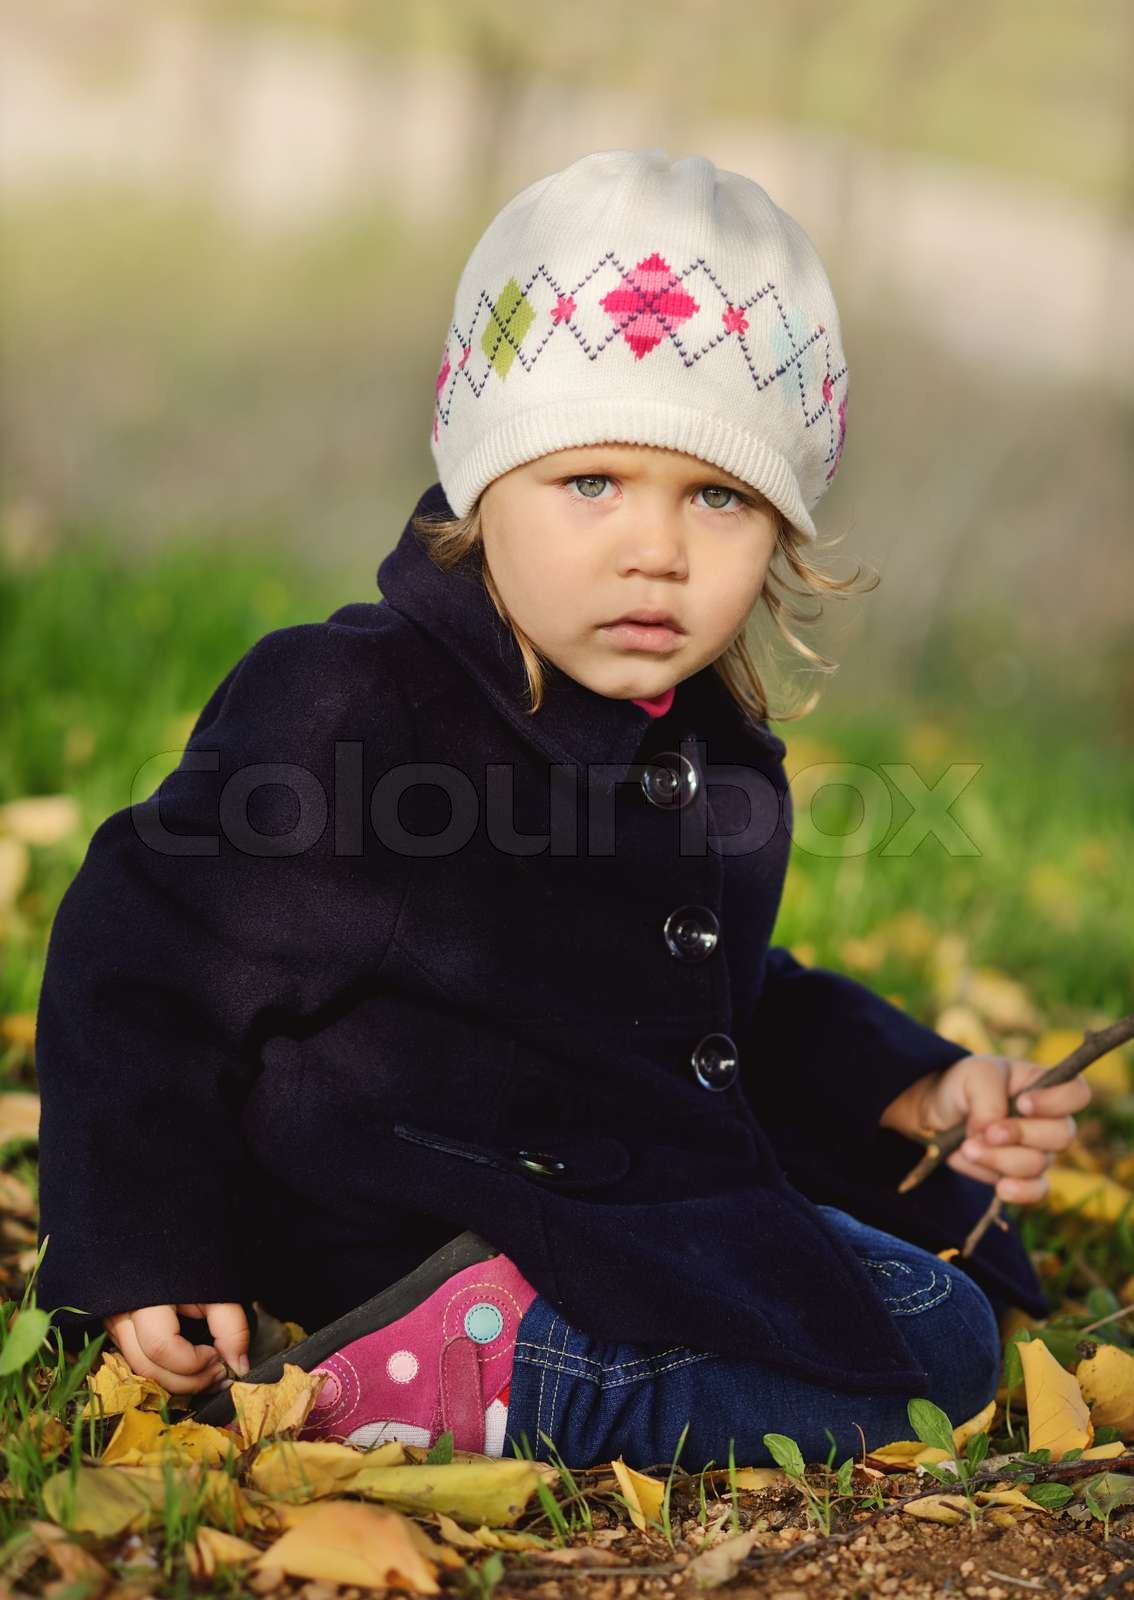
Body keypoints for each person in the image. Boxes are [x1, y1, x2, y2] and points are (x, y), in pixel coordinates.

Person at [33, 148, 1091, 1470]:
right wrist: (149, 1245)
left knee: (947, 1278)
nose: (655, 547)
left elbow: (704, 1007)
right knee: (931, 1345)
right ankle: (444, 1380)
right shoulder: (354, 705)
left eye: (717, 496)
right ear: (486, 484)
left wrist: (916, 1086)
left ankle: (515, 1350)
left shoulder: (696, 744)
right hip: (382, 1226)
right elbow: (142, 966)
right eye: (590, 483)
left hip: (570, 1205)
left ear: (781, 532)